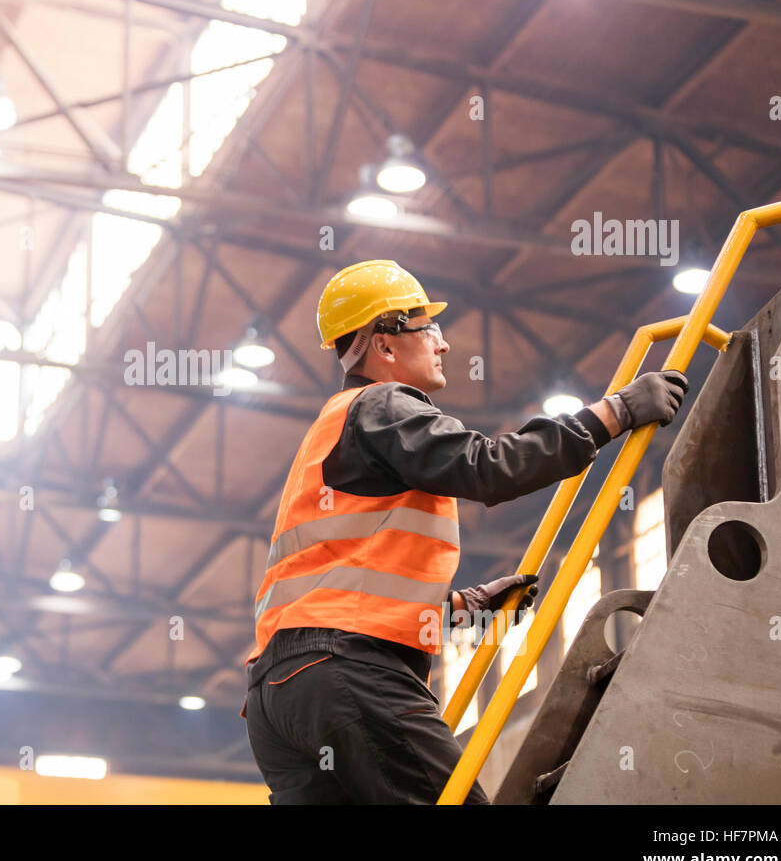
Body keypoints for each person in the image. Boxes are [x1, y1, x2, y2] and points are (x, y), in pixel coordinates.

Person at [242, 259, 688, 804]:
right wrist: (612, 414)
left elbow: (340, 577)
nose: (443, 343)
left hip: (278, 696)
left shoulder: (328, 431)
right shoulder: (381, 404)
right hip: (346, 673)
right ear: (384, 344)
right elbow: (488, 467)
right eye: (427, 327)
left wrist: (462, 608)